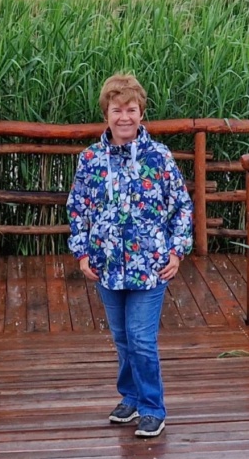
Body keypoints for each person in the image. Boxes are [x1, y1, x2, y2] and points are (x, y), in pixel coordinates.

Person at [66, 73, 193, 438]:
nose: (124, 117)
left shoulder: (159, 157)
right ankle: (131, 397)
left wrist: (177, 250)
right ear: (106, 113)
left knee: (140, 338)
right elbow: (78, 208)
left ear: (142, 113)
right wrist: (82, 252)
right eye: (117, 109)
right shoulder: (90, 159)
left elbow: (181, 206)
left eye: (131, 110)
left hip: (150, 266)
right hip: (106, 265)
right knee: (122, 338)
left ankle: (154, 407)